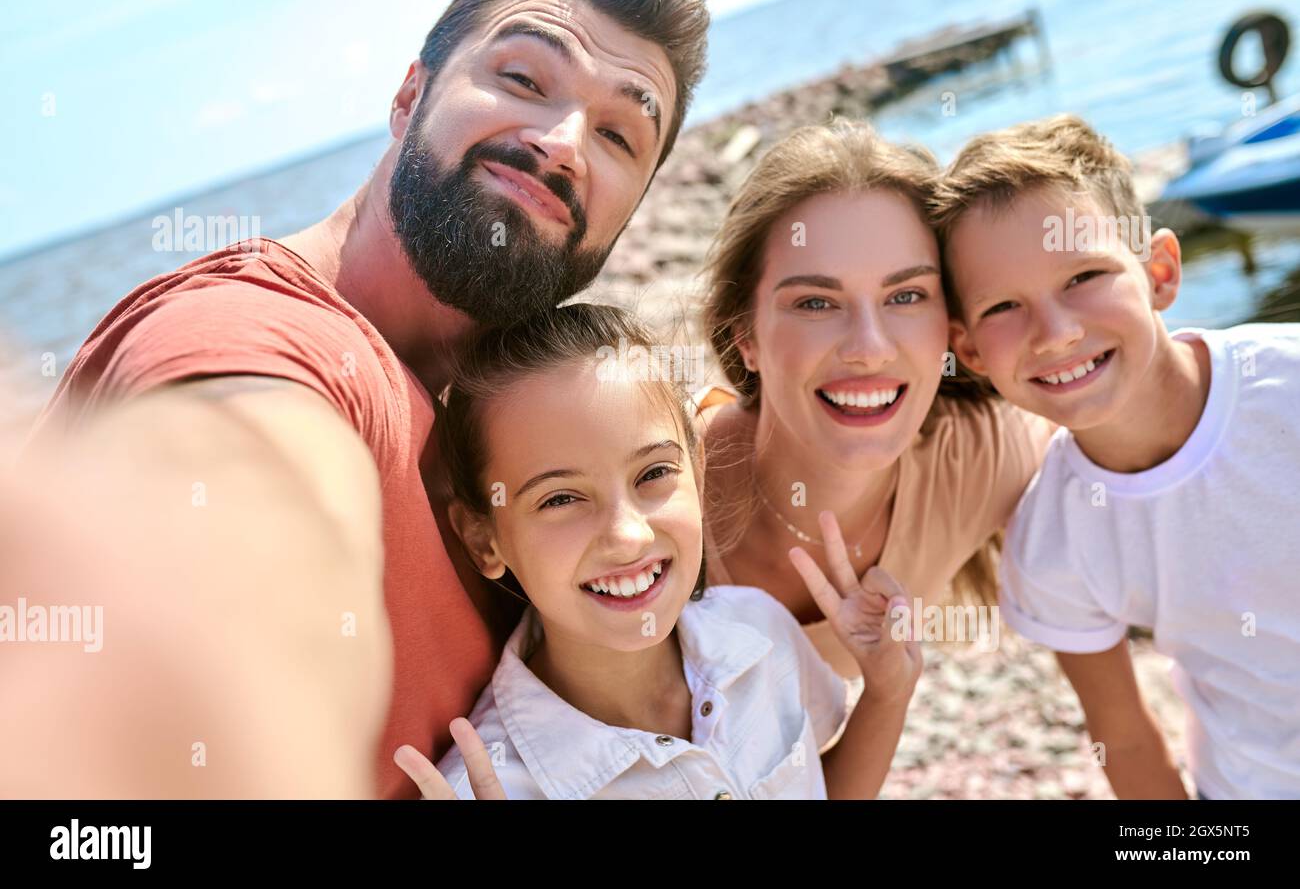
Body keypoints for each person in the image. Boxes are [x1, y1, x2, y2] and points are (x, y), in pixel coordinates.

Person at [8, 0, 709, 798]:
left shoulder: (521, 419)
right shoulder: (251, 338)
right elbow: (242, 493)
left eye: (618, 133)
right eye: (524, 80)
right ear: (410, 93)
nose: (563, 141)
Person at [392, 303, 921, 799]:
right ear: (485, 540)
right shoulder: (497, 784)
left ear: (698, 469)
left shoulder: (760, 632)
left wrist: (887, 691)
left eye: (653, 473)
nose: (629, 535)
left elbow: (824, 784)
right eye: (560, 499)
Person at [935, 113, 1300, 799]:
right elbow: (1124, 736)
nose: (1056, 332)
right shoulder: (1055, 542)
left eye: (1083, 277)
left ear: (1159, 272)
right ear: (973, 351)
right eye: (1005, 305)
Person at [694, 119, 1054, 691]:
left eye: (906, 296)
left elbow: (1128, 433)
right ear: (746, 336)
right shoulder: (652, 488)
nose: (869, 348)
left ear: (951, 326)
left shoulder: (974, 459)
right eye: (815, 302)